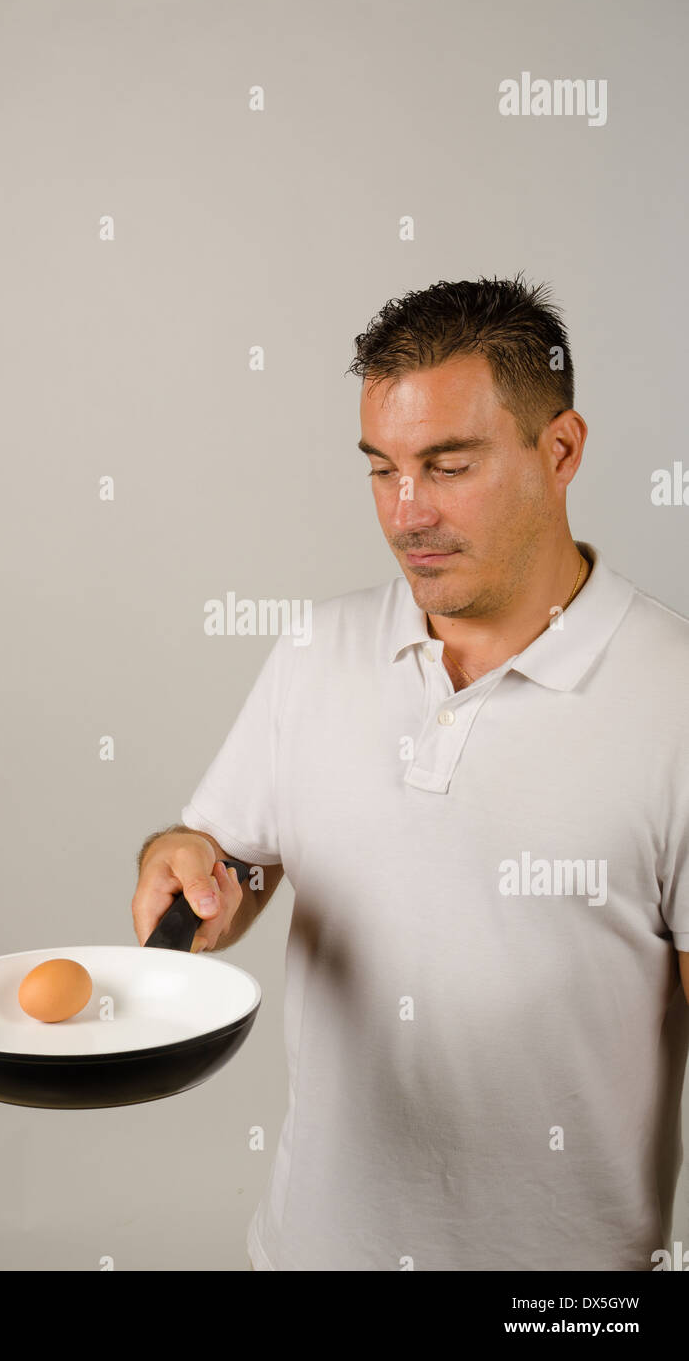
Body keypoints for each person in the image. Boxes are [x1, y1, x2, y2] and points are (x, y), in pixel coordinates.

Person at [132, 275, 689, 1271]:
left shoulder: (674, 696)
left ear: (559, 450)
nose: (405, 511)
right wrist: (196, 864)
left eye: (448, 464)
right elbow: (242, 864)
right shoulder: (314, 649)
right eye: (381, 467)